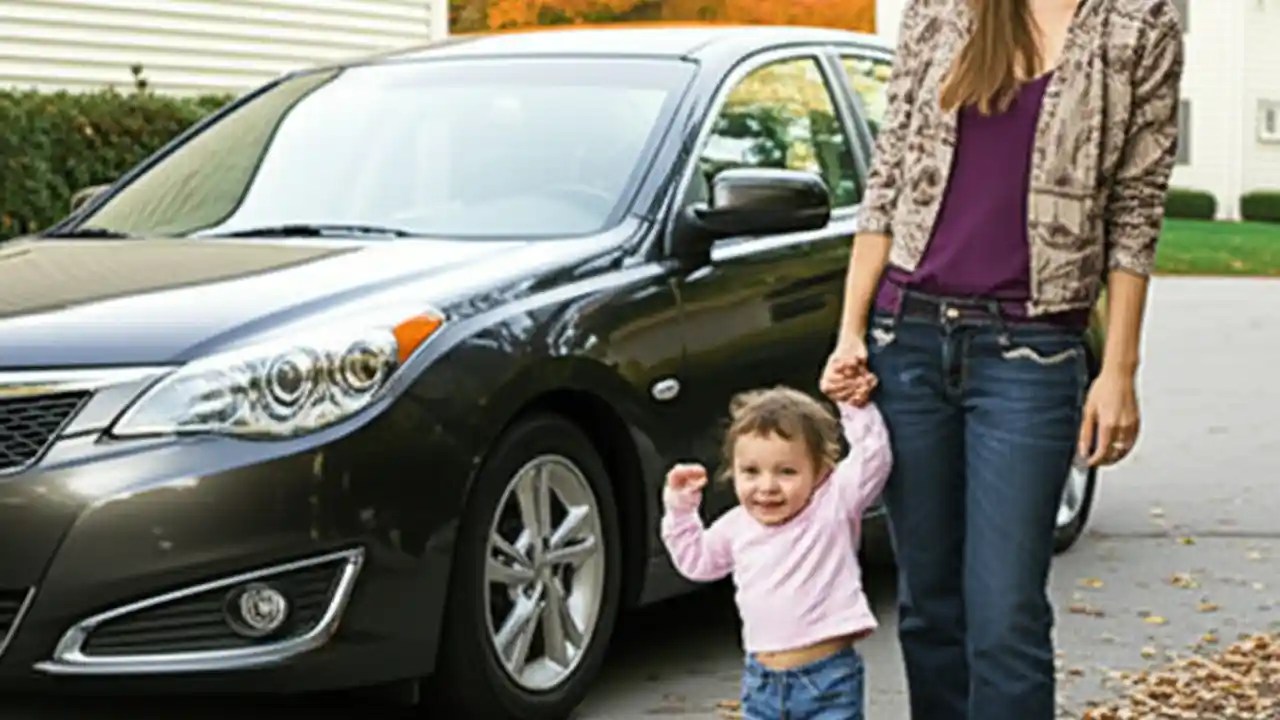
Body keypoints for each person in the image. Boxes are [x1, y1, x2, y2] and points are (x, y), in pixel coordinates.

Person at [819, 0, 1185, 718]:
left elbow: (1136, 210)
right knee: (928, 606)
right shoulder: (941, 8)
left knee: (1006, 615)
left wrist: (1119, 371)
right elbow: (889, 174)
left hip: (1034, 350)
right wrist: (851, 329)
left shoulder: (1140, 21)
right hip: (910, 338)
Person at [660, 383, 890, 720]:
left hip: (827, 680)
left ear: (820, 473)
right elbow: (697, 562)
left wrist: (852, 405)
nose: (767, 486)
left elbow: (874, 455)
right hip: (761, 683)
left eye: (787, 472)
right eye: (751, 472)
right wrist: (680, 510)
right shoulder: (736, 525)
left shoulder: (831, 505)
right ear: (733, 471)